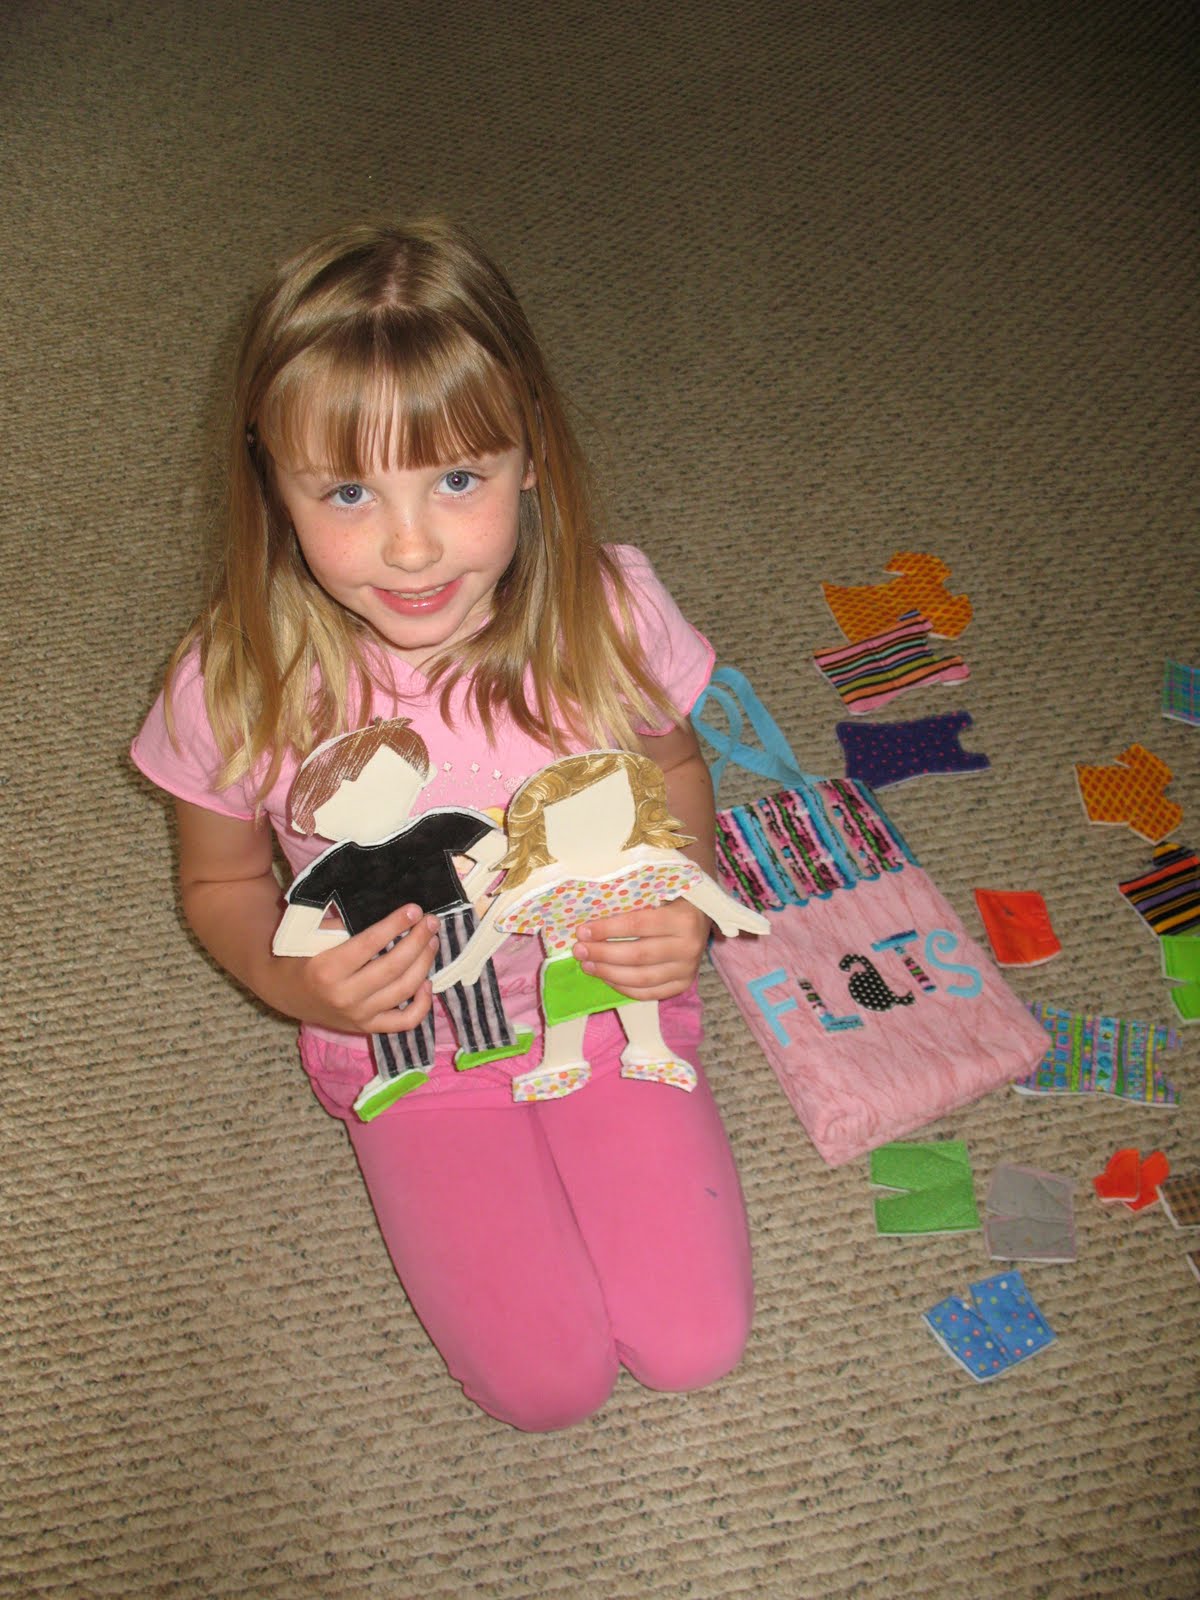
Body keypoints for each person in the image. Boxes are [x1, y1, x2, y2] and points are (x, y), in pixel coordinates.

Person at [131, 217, 753, 1431]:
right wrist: (295, 984)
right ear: (272, 477)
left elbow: (674, 766)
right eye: (350, 490)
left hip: (605, 997)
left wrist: (690, 893)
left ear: (531, 453)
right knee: (547, 1386)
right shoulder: (236, 679)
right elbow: (219, 885)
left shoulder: (610, 610)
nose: (410, 545)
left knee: (694, 1346)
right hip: (411, 1050)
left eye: (457, 478)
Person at [275, 716, 533, 1121]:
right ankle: (405, 1066)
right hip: (382, 942)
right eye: (339, 797)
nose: (362, 799)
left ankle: (487, 1039)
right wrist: (346, 940)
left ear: (422, 772)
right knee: (397, 1002)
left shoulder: (436, 827)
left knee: (470, 982)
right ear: (313, 822)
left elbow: (503, 852)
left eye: (372, 783)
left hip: (452, 917)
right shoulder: (334, 865)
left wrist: (481, 887)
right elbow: (293, 935)